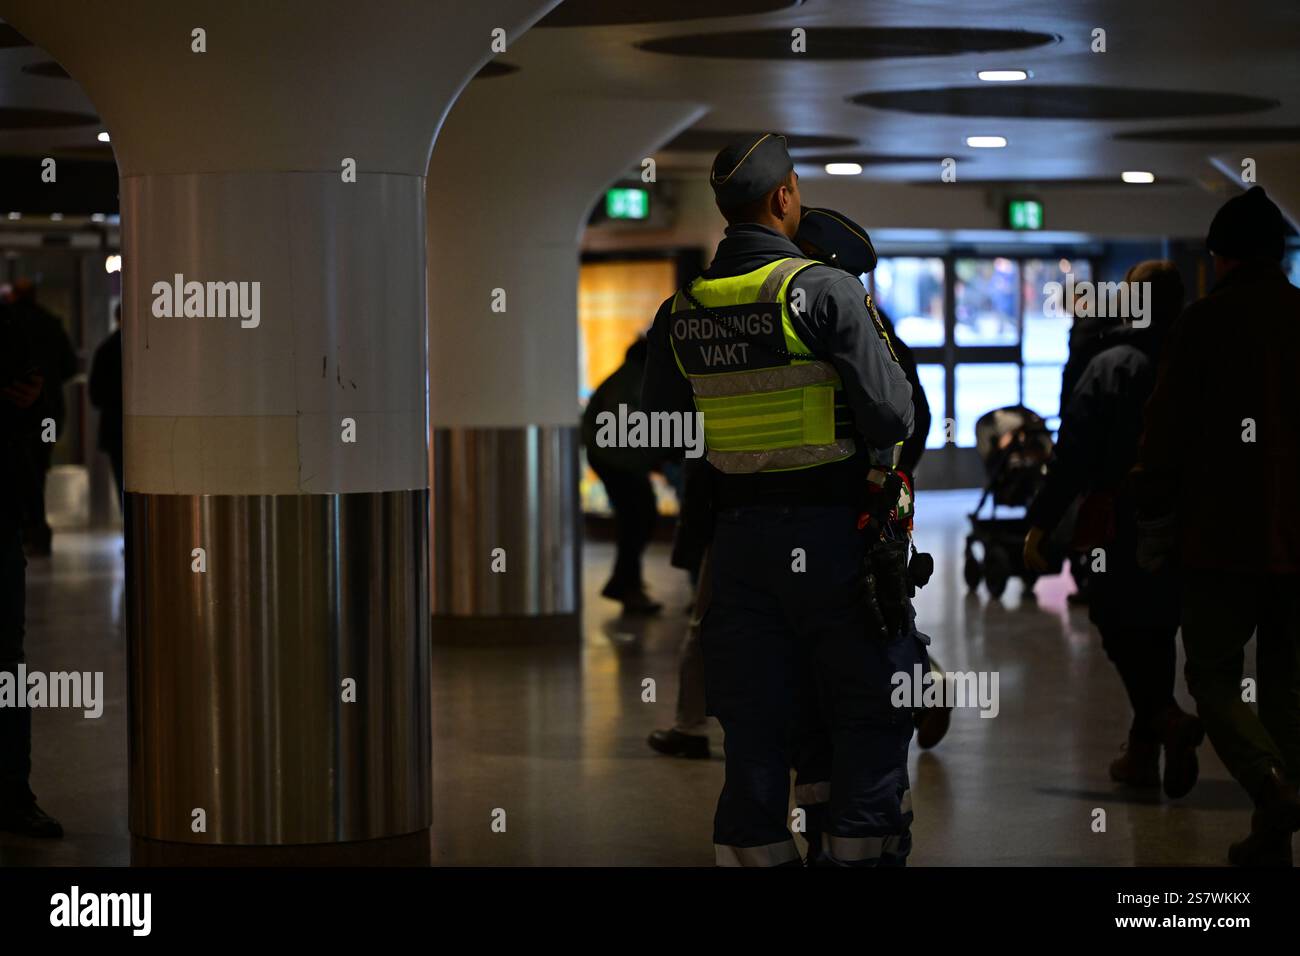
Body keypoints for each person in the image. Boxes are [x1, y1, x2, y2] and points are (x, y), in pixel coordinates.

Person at [642, 133, 921, 866]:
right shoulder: (824, 290)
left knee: (756, 719)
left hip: (738, 545)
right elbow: (894, 414)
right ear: (785, 198)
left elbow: (662, 421)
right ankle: (856, 849)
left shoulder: (685, 307)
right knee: (866, 704)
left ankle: (758, 851)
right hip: (836, 536)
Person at [1134, 186, 1300, 866]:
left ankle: (1269, 784)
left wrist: (1150, 514)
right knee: (1288, 683)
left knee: (1212, 676)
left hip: (1221, 538)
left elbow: (1165, 429)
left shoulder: (1204, 322)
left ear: (1224, 259)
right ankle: (1275, 825)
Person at [1023, 260, 1203, 799]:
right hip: (1183, 519)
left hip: (1119, 517)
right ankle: (1144, 753)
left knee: (1116, 619)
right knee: (1157, 626)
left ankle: (1165, 718)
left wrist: (1042, 521)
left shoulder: (1114, 364)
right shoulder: (1191, 362)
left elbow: (1075, 452)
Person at [0, 299, 64, 838]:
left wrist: (33, 404)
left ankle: (13, 794)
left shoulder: (13, 328)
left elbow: (48, 426)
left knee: (7, 660)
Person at [582, 337, 664, 615]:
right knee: (640, 517)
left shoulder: (626, 377)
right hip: (616, 462)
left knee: (636, 518)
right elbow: (626, 431)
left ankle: (628, 583)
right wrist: (655, 458)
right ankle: (626, 585)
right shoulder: (633, 381)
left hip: (611, 460)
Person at [9, 278, 77, 557]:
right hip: (48, 414)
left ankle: (26, 527)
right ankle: (38, 529)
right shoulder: (50, 323)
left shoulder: (9, 323)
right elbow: (69, 366)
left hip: (14, 416)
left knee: (20, 467)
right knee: (39, 463)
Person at [89, 305, 124, 509]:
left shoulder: (105, 349)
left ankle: (128, 529)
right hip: (147, 429)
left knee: (121, 479)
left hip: (114, 427)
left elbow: (95, 395)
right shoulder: (147, 348)